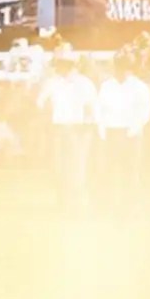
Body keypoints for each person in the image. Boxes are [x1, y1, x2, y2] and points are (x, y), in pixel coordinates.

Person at [37, 45, 97, 208]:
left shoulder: (85, 83)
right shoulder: (52, 83)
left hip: (79, 130)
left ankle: (77, 202)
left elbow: (92, 108)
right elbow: (40, 104)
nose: (62, 67)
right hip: (58, 129)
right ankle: (64, 201)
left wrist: (88, 127)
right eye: (61, 63)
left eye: (65, 64)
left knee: (78, 167)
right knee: (58, 167)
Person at [95, 51, 150, 209]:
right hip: (110, 133)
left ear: (131, 68)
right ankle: (107, 206)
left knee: (131, 172)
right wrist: (102, 129)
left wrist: (132, 131)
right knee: (107, 172)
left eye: (125, 67)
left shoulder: (140, 87)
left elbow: (145, 112)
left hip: (131, 135)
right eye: (119, 67)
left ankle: (130, 208)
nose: (122, 71)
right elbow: (99, 109)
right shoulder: (107, 86)